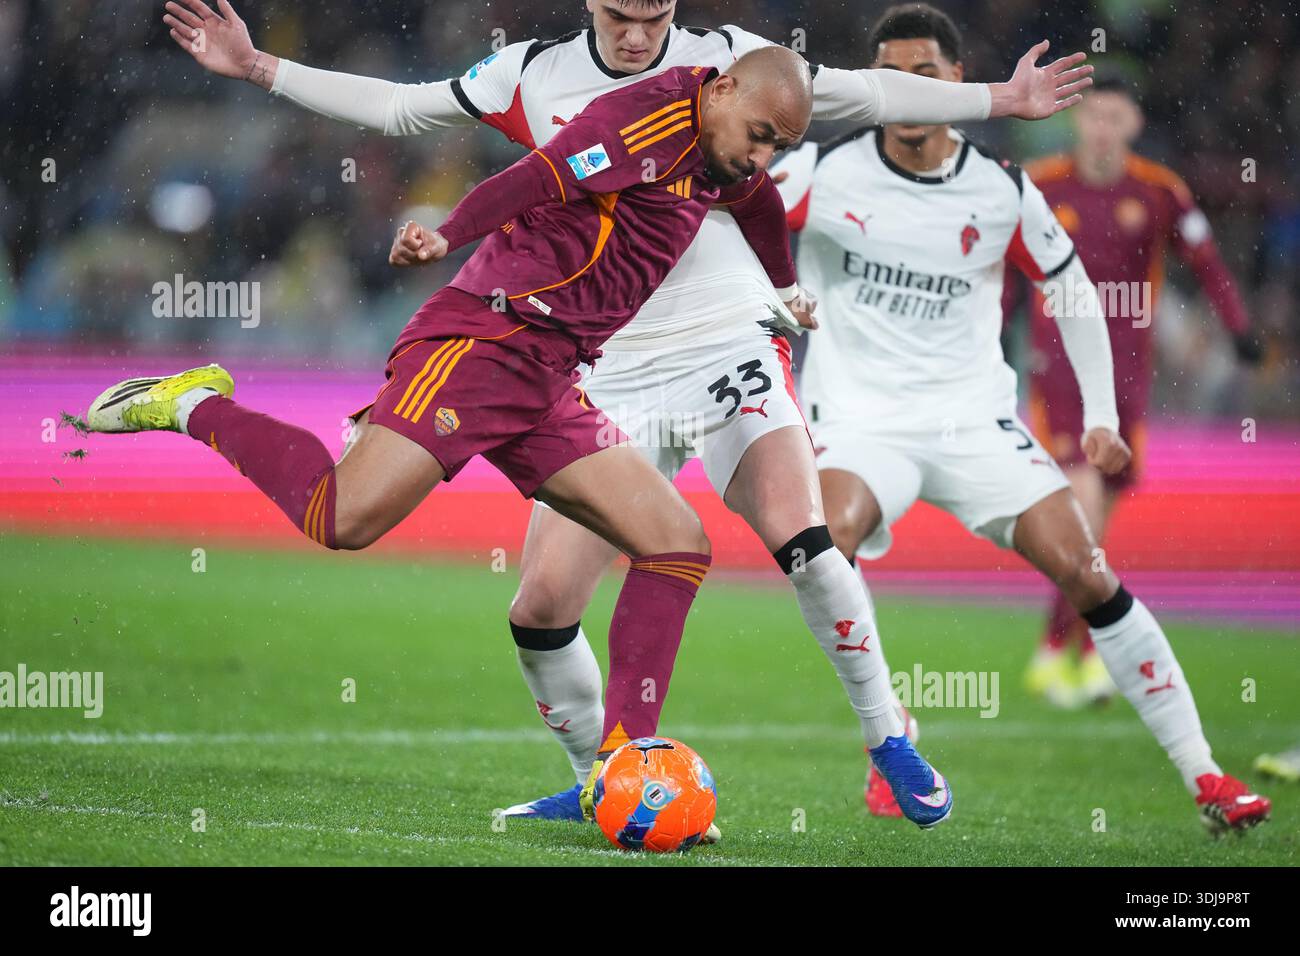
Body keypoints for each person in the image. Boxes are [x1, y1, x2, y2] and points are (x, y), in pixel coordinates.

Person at [162, 0, 1091, 828]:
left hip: (728, 343)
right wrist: (260, 68)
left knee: (801, 537)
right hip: (594, 361)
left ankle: (888, 738)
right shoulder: (528, 74)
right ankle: (602, 778)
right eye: (622, 15)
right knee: (541, 606)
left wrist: (999, 105)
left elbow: (865, 99)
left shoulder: (733, 67)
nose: (641, 32)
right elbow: (405, 107)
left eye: (656, 14)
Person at [88, 51, 828, 836]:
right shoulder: (637, 126)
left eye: (777, 146)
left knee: (677, 543)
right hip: (484, 343)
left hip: (552, 375)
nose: (761, 157)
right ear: (722, 90)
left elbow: (756, 205)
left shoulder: (726, 156)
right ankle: (192, 405)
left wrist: (782, 287)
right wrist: (446, 235)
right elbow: (532, 181)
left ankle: (622, 765)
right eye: (758, 136)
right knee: (342, 518)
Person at [772, 3, 1270, 835]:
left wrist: (1103, 416)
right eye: (889, 77)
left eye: (923, 75)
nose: (905, 91)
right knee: (823, 541)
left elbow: (1072, 294)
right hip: (861, 420)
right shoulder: (820, 172)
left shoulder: (1001, 188)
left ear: (957, 82)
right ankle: (892, 736)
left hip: (975, 422)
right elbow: (723, 214)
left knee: (1088, 571)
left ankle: (1207, 777)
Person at [1014, 76, 1260, 708]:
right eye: (1090, 115)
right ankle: (1094, 654)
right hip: (1059, 367)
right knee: (1086, 498)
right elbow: (1000, 266)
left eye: (1112, 116)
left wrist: (1239, 330)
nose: (1100, 127)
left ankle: (1050, 651)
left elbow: (1206, 261)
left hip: (1128, 375)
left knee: (1092, 522)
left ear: (1133, 123)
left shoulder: (1158, 191)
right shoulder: (1040, 184)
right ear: (1077, 122)